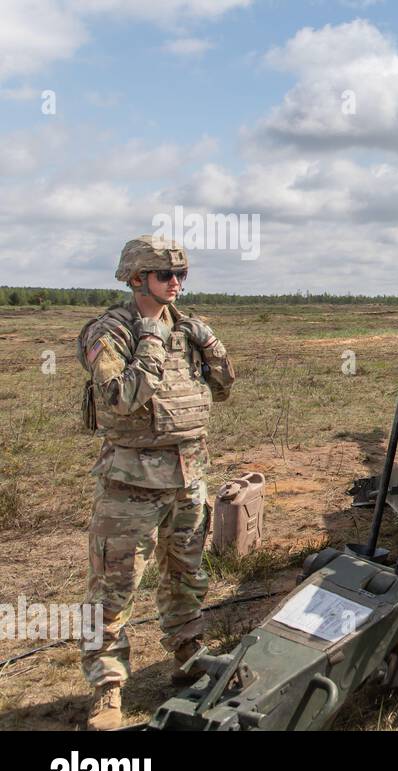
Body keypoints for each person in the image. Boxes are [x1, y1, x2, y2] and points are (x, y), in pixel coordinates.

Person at [76, 235, 235, 730]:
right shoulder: (110, 332)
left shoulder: (186, 329)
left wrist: (210, 343)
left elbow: (224, 388)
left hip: (189, 475)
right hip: (131, 484)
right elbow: (120, 397)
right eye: (166, 275)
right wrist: (148, 342)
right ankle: (107, 687)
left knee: (187, 574)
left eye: (181, 275)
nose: (176, 284)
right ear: (137, 278)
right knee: (113, 588)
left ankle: (188, 656)